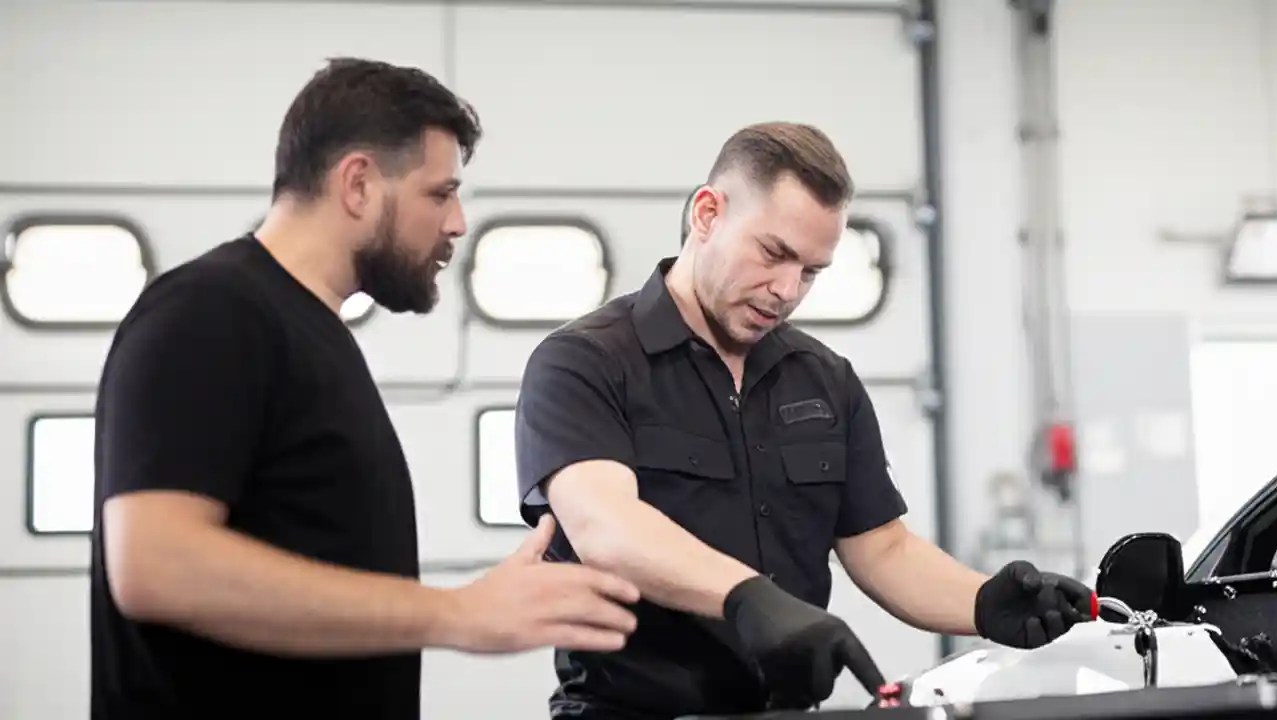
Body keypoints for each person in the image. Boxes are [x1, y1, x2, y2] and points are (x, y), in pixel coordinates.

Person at [89, 57, 641, 720]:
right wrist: (457, 613)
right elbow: (155, 566)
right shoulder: (211, 311)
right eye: (439, 193)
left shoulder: (311, 332)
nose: (457, 222)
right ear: (358, 185)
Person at [513, 121, 1096, 719]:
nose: (787, 290)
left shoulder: (824, 378)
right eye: (774, 253)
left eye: (812, 271)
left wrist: (982, 601)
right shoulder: (586, 363)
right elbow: (608, 527)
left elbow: (884, 550)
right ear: (707, 214)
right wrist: (747, 598)